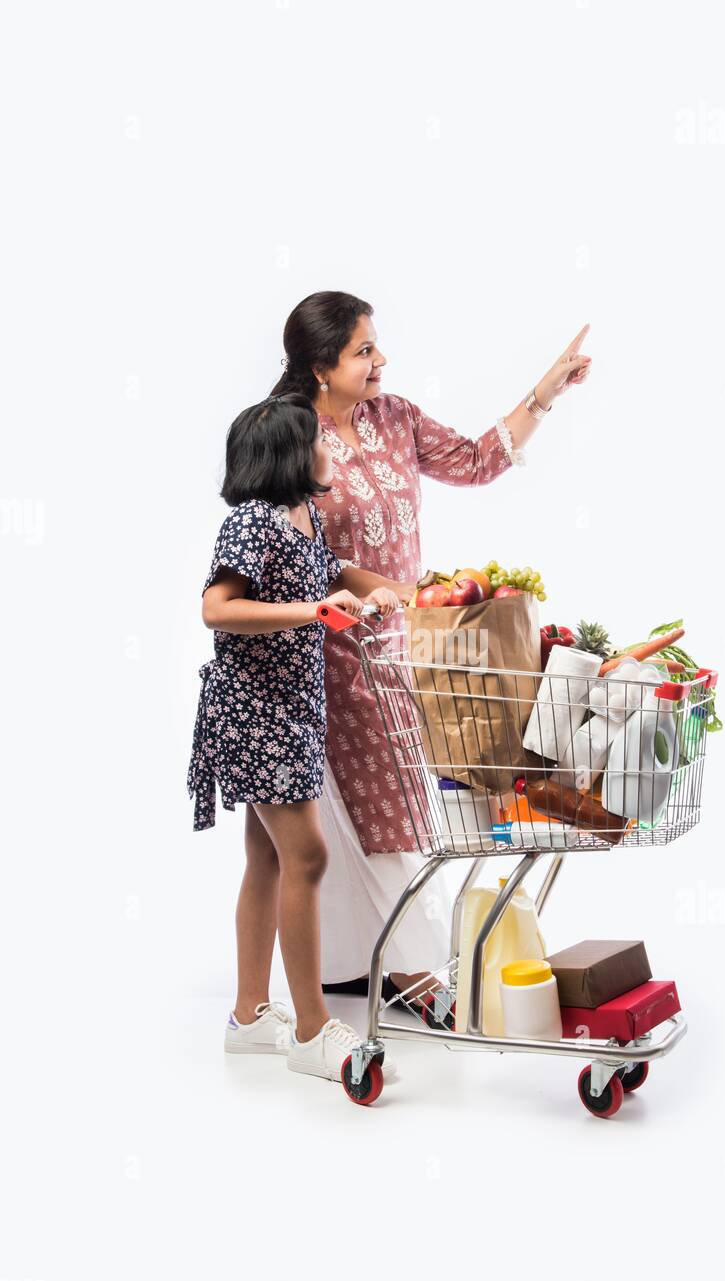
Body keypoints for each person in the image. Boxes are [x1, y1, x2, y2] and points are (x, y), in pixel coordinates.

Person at [268, 292, 592, 1003]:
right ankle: (413, 973)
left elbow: (476, 462)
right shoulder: (290, 436)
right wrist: (386, 591)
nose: (381, 359)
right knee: (381, 810)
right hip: (334, 647)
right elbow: (294, 552)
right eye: (363, 350)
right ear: (321, 365)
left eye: (376, 346)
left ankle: (364, 959)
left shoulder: (396, 418)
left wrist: (544, 392)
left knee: (401, 804)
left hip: (409, 646)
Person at [187, 392, 408, 1083]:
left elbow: (337, 571)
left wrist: (402, 590)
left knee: (269, 858)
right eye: (319, 440)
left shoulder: (304, 516)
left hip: (293, 707)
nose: (328, 449)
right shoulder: (250, 524)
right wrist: (309, 611)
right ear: (289, 453)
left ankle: (250, 1017)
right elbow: (216, 609)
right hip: (255, 712)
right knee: (305, 855)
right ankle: (311, 1029)